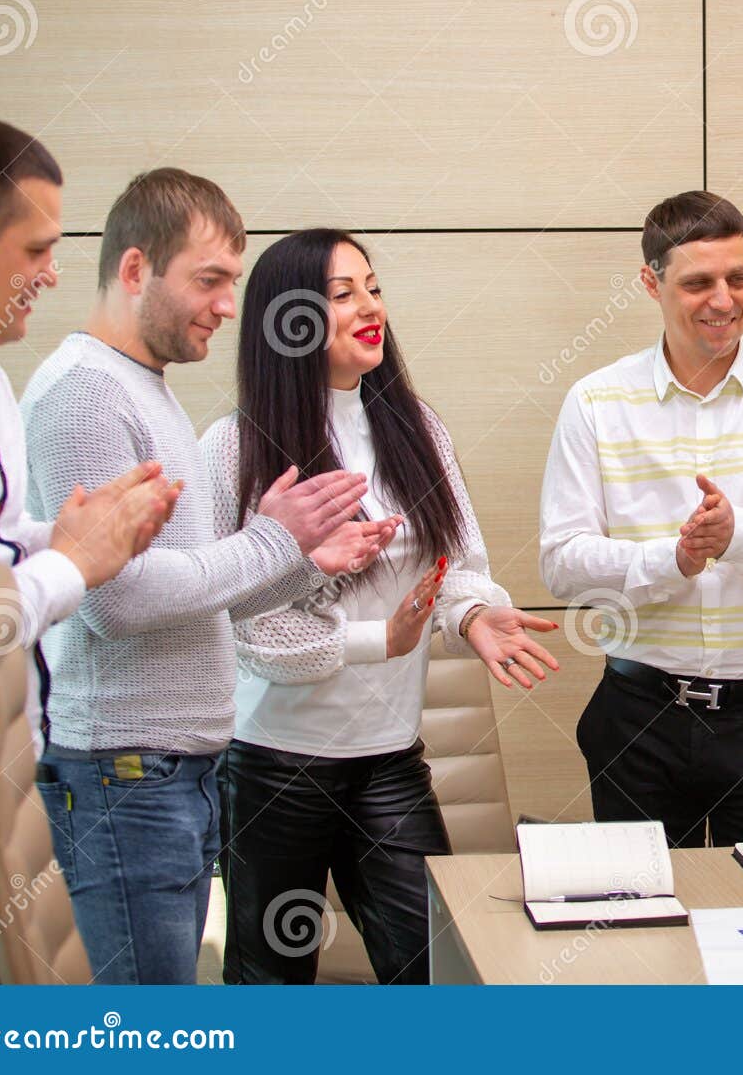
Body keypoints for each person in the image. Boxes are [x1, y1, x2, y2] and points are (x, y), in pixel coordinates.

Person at [19, 170, 391, 984]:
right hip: (125, 776)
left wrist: (296, 561)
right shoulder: (85, 393)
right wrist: (270, 542)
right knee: (144, 1037)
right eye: (210, 280)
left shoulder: (144, 389)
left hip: (170, 777)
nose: (230, 306)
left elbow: (195, 599)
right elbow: (117, 600)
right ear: (133, 269)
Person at [204, 229, 559, 984]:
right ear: (289, 319)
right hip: (274, 768)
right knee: (271, 984)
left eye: (372, 286)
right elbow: (247, 630)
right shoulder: (235, 448)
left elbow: (457, 565)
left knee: (435, 970)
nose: (369, 307)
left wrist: (470, 614)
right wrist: (379, 639)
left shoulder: (415, 427)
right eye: (341, 295)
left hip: (388, 759)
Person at [541, 190, 743, 847]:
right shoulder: (596, 401)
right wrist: (675, 560)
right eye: (698, 282)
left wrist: (740, 534)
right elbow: (562, 563)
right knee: (646, 930)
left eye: (738, 278)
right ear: (651, 282)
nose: (724, 299)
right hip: (637, 718)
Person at [0, 118, 176, 984]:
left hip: (2, 774)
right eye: (37, 247)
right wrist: (76, 562)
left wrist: (71, 535)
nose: (52, 271)